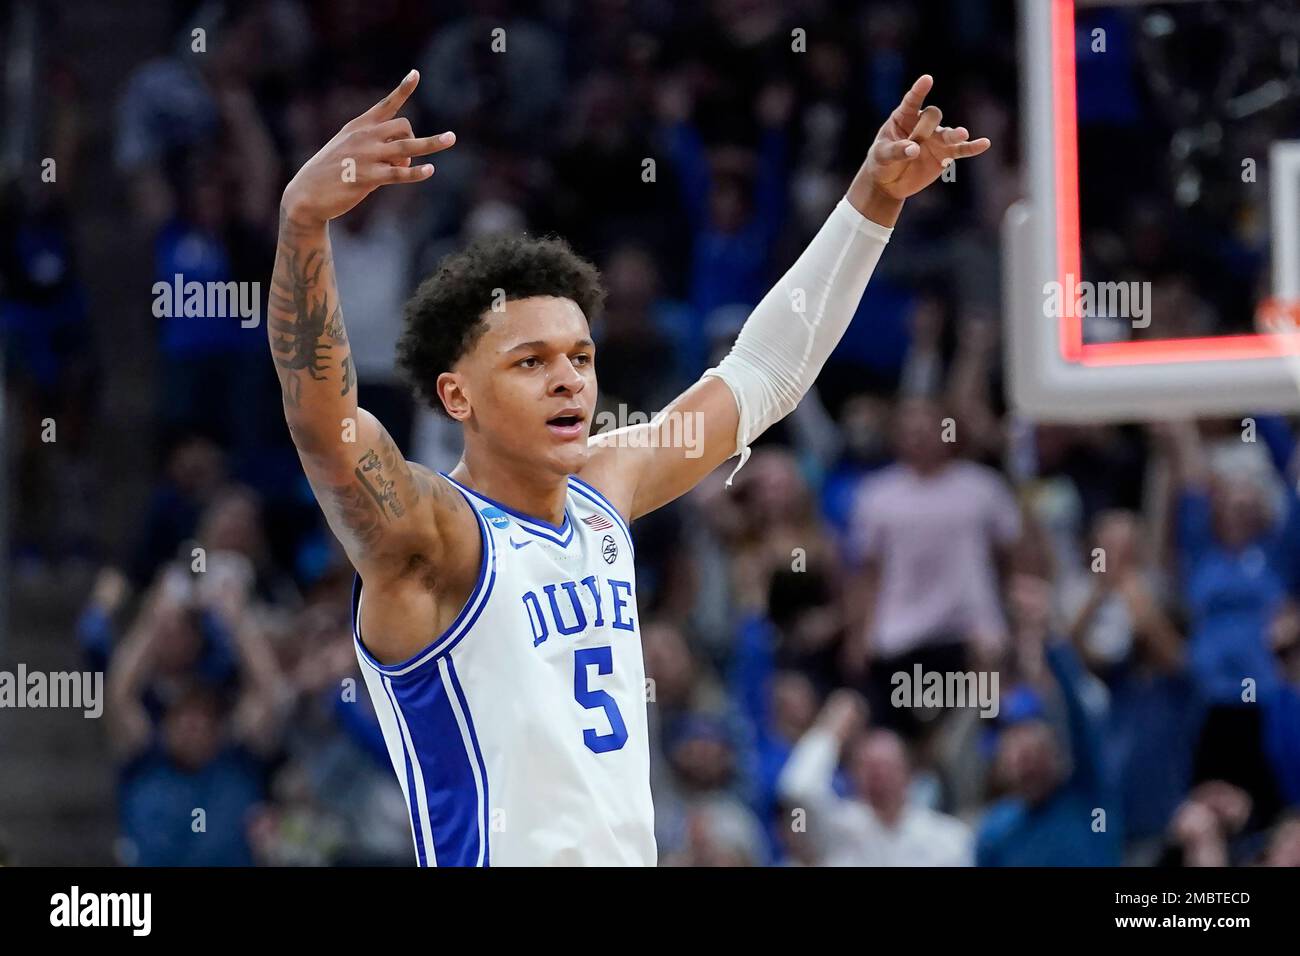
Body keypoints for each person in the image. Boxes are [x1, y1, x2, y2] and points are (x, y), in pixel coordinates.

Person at [268, 68, 989, 866]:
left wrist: (874, 201)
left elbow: (764, 374)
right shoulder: (437, 539)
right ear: (456, 395)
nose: (569, 378)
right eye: (530, 361)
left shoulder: (606, 487)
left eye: (580, 356)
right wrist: (303, 224)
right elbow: (326, 428)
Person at [778, 689, 973, 866]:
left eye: (886, 767)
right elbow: (798, 789)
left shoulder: (950, 839)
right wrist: (832, 729)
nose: (878, 777)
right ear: (853, 776)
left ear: (909, 773)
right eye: (868, 768)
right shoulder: (837, 830)